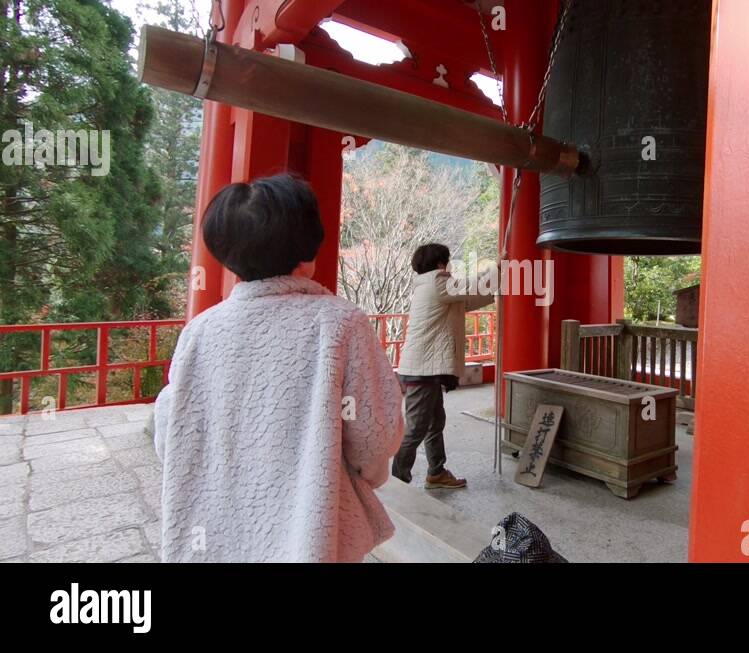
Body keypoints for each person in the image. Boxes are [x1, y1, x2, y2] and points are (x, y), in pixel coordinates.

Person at [153, 174, 403, 563]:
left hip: (217, 532)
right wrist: (361, 477)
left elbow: (172, 427)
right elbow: (374, 436)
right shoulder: (340, 323)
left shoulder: (199, 331)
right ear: (308, 245)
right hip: (309, 530)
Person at [392, 243, 495, 489]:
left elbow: (467, 300)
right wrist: (496, 267)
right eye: (447, 261)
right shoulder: (437, 282)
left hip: (428, 368)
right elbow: (469, 286)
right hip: (422, 369)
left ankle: (436, 472)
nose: (448, 266)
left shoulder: (434, 287)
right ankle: (396, 482)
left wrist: (497, 283)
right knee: (416, 428)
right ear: (439, 263)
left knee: (435, 422)